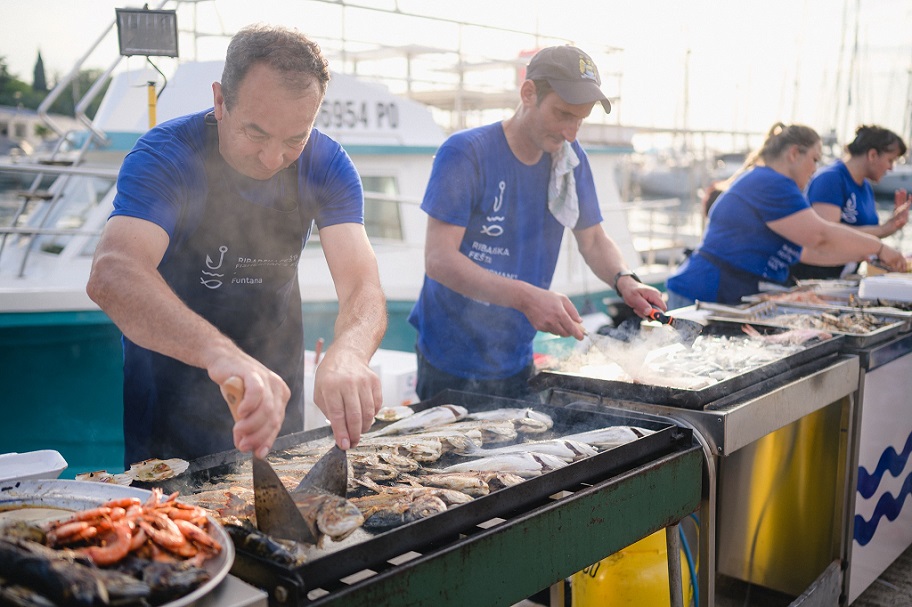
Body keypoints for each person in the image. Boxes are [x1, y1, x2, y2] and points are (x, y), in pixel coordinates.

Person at [86, 25, 387, 465]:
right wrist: (224, 356)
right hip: (169, 400)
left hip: (276, 394)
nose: (272, 159)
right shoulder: (167, 155)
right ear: (220, 101)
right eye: (256, 133)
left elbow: (364, 286)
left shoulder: (327, 164)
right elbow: (113, 272)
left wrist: (350, 353)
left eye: (293, 140)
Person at [407, 45, 665, 401]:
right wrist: (527, 298)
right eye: (562, 114)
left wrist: (624, 280)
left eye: (580, 119)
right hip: (450, 359)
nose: (571, 132)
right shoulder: (466, 153)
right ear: (528, 93)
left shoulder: (571, 162)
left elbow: (592, 239)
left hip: (516, 355)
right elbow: (439, 260)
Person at [665, 122, 908, 308]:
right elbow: (820, 235)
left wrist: (867, 255)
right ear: (794, 154)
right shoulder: (770, 182)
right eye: (814, 159)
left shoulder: (783, 187)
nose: (815, 169)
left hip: (727, 293)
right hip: (701, 293)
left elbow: (808, 252)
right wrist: (879, 248)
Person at [790, 125, 910, 280]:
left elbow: (862, 238)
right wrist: (882, 233)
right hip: (812, 277)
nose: (891, 168)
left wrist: (891, 226)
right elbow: (828, 234)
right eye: (890, 160)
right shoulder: (830, 179)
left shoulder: (865, 186)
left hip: (843, 277)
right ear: (872, 155)